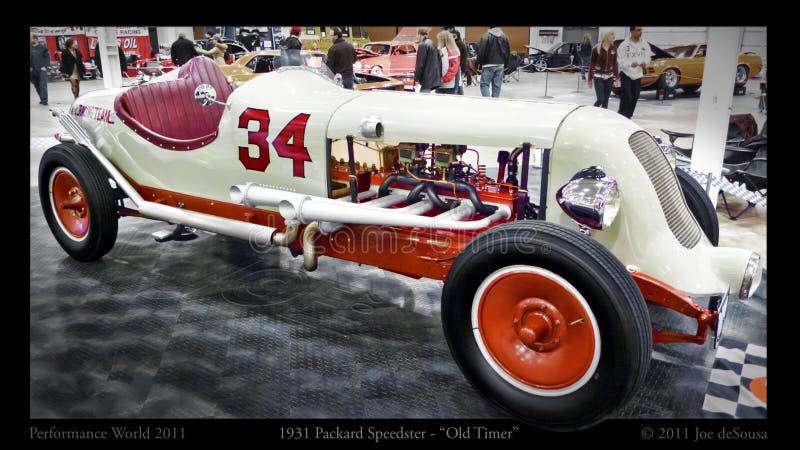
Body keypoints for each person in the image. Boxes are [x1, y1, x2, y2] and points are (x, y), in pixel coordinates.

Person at [617, 26, 652, 119]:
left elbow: (648, 57)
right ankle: (621, 116)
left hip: (638, 75)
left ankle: (629, 117)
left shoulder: (644, 44)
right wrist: (630, 64)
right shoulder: (624, 45)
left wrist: (645, 63)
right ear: (632, 31)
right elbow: (620, 60)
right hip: (626, 74)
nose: (641, 32)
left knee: (635, 97)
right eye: (638, 30)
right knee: (627, 96)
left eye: (641, 30)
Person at [587, 31, 619, 109]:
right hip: (598, 77)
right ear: (606, 36)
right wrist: (590, 79)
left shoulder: (613, 48)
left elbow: (615, 64)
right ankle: (592, 111)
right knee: (600, 99)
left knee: (606, 101)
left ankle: (602, 119)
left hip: (610, 78)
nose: (614, 36)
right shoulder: (596, 48)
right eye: (612, 34)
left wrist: (617, 78)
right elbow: (592, 64)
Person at [477, 26, 510, 98]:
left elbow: (481, 51)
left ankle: (487, 102)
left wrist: (479, 63)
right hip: (500, 64)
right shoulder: (504, 36)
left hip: (488, 64)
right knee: (497, 85)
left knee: (484, 84)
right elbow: (507, 52)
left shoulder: (486, 36)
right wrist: (506, 64)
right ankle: (494, 103)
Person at [413, 27, 441, 93]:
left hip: (426, 80)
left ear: (419, 34)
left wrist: (416, 79)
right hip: (435, 79)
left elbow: (420, 64)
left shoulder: (422, 45)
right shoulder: (432, 43)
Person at [436, 30, 460, 95]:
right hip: (442, 83)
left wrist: (443, 79)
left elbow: (453, 69)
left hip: (449, 84)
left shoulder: (453, 51)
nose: (438, 42)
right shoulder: (441, 50)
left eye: (439, 40)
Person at [446, 27, 469, 95]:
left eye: (454, 36)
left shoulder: (459, 44)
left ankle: (458, 94)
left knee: (456, 83)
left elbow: (464, 58)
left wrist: (463, 70)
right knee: (458, 83)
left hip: (457, 66)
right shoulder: (459, 44)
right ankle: (460, 94)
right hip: (457, 66)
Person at [30, 34, 50, 105]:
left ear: (35, 39)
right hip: (33, 70)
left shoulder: (43, 47)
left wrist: (45, 66)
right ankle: (42, 98)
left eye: (31, 39)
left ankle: (44, 100)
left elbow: (47, 57)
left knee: (43, 84)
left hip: (42, 70)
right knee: (36, 85)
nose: (30, 40)